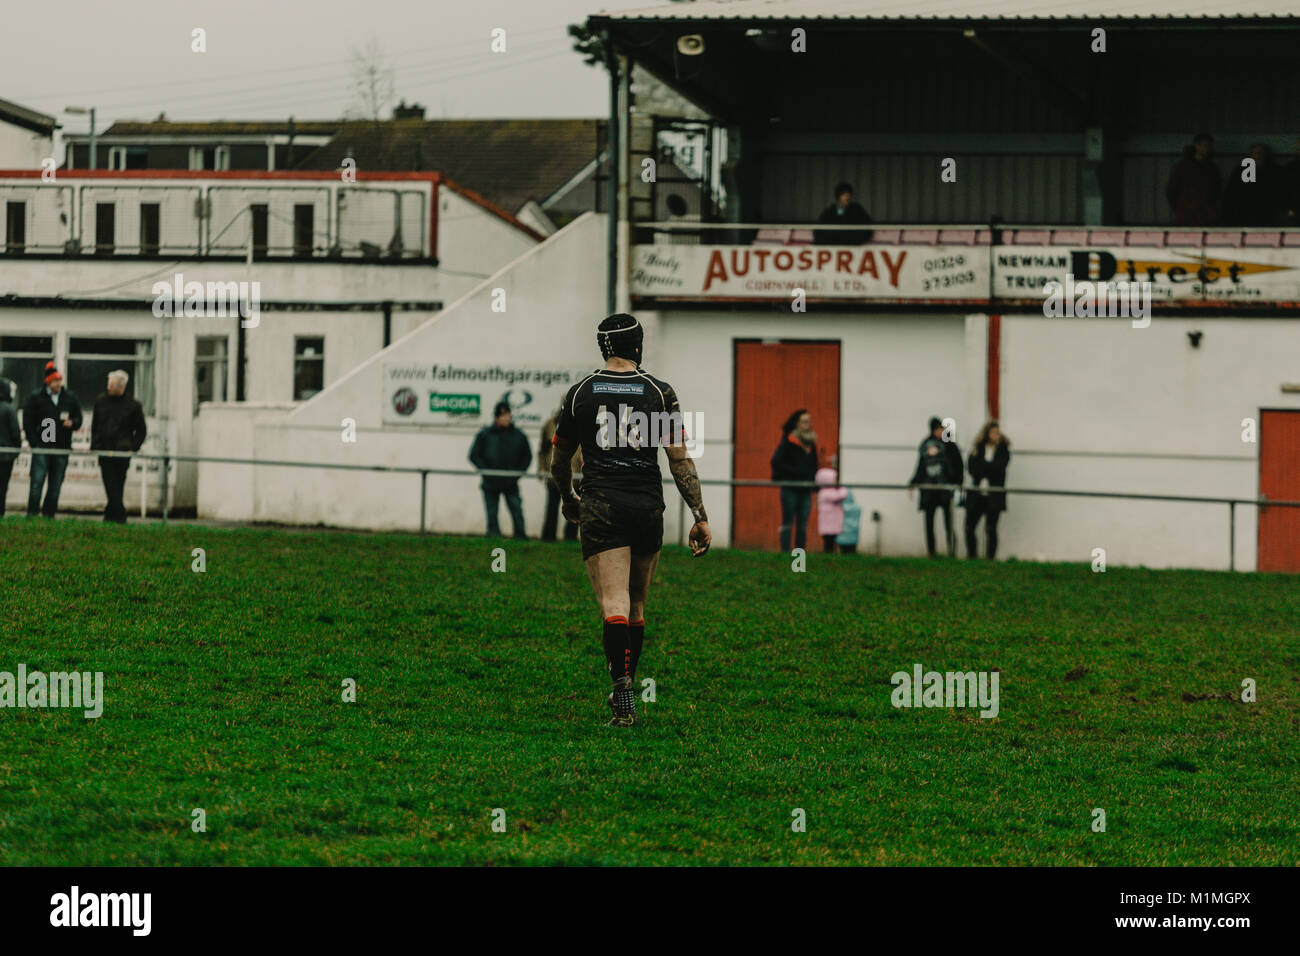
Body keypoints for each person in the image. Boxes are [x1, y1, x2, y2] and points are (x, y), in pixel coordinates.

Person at [549, 312, 710, 727]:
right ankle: (625, 691)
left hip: (602, 504)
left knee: (613, 604)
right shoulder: (660, 391)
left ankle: (622, 695)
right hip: (646, 505)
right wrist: (699, 515)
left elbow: (560, 459)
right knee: (636, 605)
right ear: (637, 346)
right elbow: (679, 459)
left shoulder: (580, 392)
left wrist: (568, 497)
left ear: (603, 347)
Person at [23, 362, 83, 519]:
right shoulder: (36, 397)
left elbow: (79, 418)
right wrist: (34, 443)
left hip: (61, 448)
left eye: (60, 381)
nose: (59, 384)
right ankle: (32, 514)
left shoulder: (70, 397)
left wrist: (73, 423)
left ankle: (49, 515)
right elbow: (28, 422)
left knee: (55, 485)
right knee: (37, 483)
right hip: (42, 448)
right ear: (48, 382)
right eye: (55, 381)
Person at [90, 369, 148, 524]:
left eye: (111, 384)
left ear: (121, 387)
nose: (108, 387)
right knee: (110, 483)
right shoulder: (100, 401)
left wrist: (133, 447)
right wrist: (95, 445)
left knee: (118, 484)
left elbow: (141, 430)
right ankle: (119, 516)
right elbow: (95, 425)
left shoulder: (133, 406)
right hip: (104, 450)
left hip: (122, 452)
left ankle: (111, 516)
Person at [468, 402, 531, 539]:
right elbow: (474, 455)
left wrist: (517, 474)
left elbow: (527, 456)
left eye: (508, 415)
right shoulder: (485, 435)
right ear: (496, 417)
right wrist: (487, 471)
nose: (507, 418)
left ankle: (520, 537)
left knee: (517, 511)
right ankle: (493, 537)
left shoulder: (519, 436)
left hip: (511, 482)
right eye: (503, 415)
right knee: (492, 513)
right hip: (490, 482)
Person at [907, 416, 962, 558]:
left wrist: (957, 483)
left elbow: (957, 465)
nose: (940, 431)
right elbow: (921, 467)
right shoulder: (925, 445)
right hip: (929, 490)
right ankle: (931, 552)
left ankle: (951, 552)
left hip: (944, 489)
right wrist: (913, 482)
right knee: (929, 523)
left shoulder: (950, 445)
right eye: (938, 429)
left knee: (948, 523)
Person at [771, 409, 819, 552]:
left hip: (806, 489)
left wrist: (814, 485)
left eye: (809, 421)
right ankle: (785, 554)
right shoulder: (788, 441)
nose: (808, 424)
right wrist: (794, 474)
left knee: (803, 525)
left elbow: (814, 465)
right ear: (797, 423)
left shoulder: (811, 443)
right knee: (787, 523)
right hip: (790, 488)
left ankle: (799, 557)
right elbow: (777, 462)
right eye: (804, 421)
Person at [963, 421, 1011, 560]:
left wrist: (983, 467)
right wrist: (988, 467)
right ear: (987, 434)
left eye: (998, 432)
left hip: (994, 495)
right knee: (969, 526)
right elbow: (972, 468)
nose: (996, 435)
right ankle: (972, 555)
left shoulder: (1003, 450)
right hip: (977, 495)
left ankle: (990, 558)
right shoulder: (978, 448)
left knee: (991, 528)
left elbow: (999, 468)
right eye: (993, 432)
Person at [538, 409, 580, 542]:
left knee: (575, 508)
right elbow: (543, 450)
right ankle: (548, 538)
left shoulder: (583, 424)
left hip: (577, 477)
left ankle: (570, 538)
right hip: (555, 476)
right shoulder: (550, 425)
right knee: (552, 508)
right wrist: (542, 468)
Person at [1220, 143, 1286, 227]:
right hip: (1245, 212)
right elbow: (1232, 193)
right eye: (1256, 152)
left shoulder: (1275, 171)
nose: (1259, 155)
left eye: (1261, 152)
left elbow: (1280, 192)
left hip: (1267, 212)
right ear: (1251, 155)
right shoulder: (1241, 171)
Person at [1165, 133, 1221, 227]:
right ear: (1196, 146)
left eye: (1209, 146)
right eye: (1205, 146)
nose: (1207, 149)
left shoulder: (1212, 168)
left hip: (1204, 215)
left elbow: (1216, 191)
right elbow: (1171, 190)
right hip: (1188, 214)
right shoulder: (1183, 167)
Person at [815, 455, 849, 553]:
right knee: (828, 541)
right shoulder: (825, 492)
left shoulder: (828, 491)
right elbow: (840, 496)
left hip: (833, 522)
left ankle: (832, 553)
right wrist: (843, 489)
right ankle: (828, 553)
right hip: (828, 524)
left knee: (833, 540)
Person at [0, 381, 21, 516]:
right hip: (6, 456)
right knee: (2, 486)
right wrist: (17, 449)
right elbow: (15, 433)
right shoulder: (9, 409)